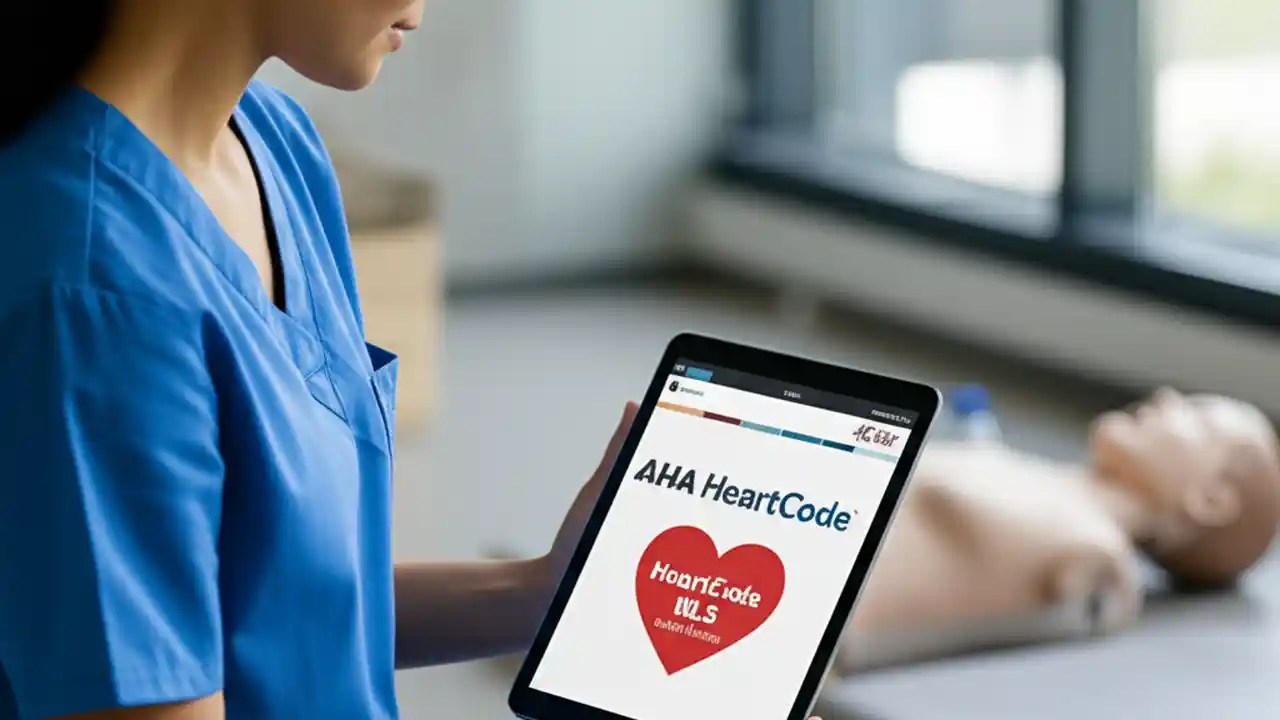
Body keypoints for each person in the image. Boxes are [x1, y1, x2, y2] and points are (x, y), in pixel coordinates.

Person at [1, 2, 826, 719]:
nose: (426, 11)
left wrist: (546, 594)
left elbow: (280, 608)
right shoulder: (89, 288)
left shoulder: (272, 144)